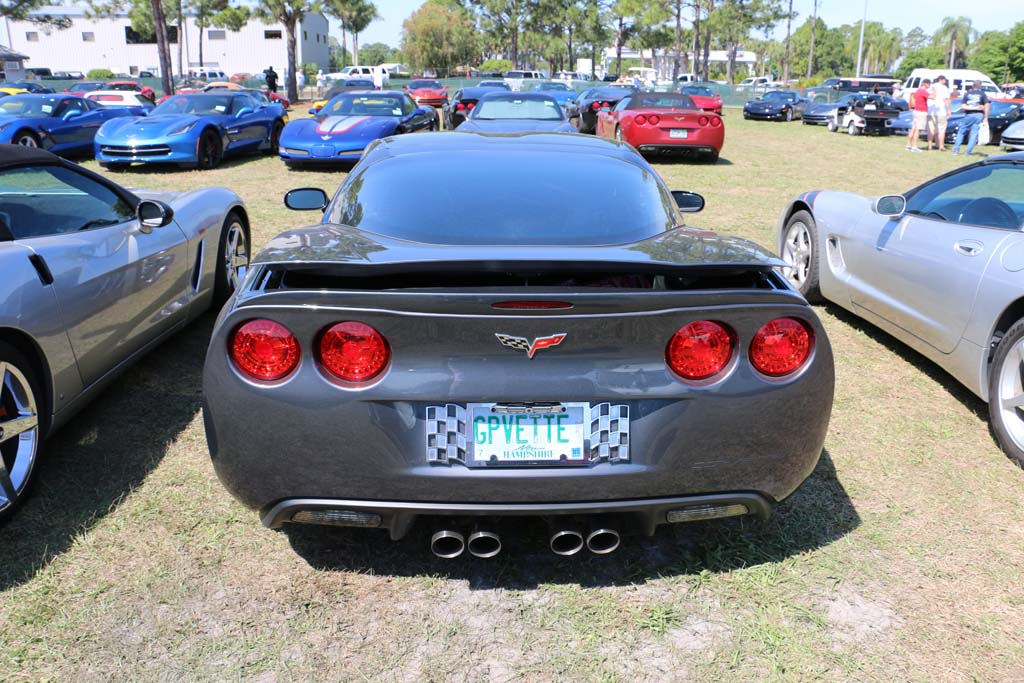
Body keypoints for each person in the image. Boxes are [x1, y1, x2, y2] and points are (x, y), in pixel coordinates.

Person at [953, 80, 990, 156]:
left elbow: (963, 106)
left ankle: (956, 150)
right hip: (979, 115)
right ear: (980, 86)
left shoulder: (967, 94)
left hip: (969, 114)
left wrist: (971, 108)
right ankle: (968, 151)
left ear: (973, 86)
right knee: (974, 133)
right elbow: (987, 105)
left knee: (961, 131)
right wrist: (986, 117)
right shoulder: (982, 94)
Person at [927, 75, 952, 152]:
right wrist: (948, 110)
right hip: (941, 111)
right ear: (941, 80)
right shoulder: (944, 88)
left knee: (931, 129)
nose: (945, 81)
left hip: (930, 111)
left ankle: (930, 145)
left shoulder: (931, 87)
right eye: (945, 80)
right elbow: (946, 99)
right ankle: (941, 146)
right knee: (941, 129)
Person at [906, 78, 931, 153]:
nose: (929, 86)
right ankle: (914, 146)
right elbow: (932, 97)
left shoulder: (917, 90)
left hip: (916, 110)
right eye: (929, 84)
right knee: (918, 129)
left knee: (913, 128)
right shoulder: (923, 91)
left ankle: (908, 145)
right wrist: (935, 91)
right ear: (926, 84)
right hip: (921, 111)